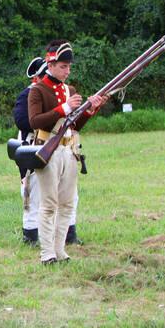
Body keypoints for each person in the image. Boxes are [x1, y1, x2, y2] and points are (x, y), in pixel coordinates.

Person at [27, 41, 107, 264]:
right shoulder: (37, 90)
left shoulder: (68, 90)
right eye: (63, 66)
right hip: (49, 150)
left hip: (69, 150)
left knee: (67, 204)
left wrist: (91, 109)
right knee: (49, 204)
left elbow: (75, 126)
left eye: (68, 66)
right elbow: (35, 121)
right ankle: (47, 253)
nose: (67, 71)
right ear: (50, 64)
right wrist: (64, 108)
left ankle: (60, 250)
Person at [14, 57, 80, 246]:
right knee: (34, 194)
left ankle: (69, 234)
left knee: (69, 193)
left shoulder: (63, 92)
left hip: (63, 147)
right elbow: (24, 121)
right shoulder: (29, 94)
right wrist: (55, 113)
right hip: (37, 147)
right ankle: (31, 235)